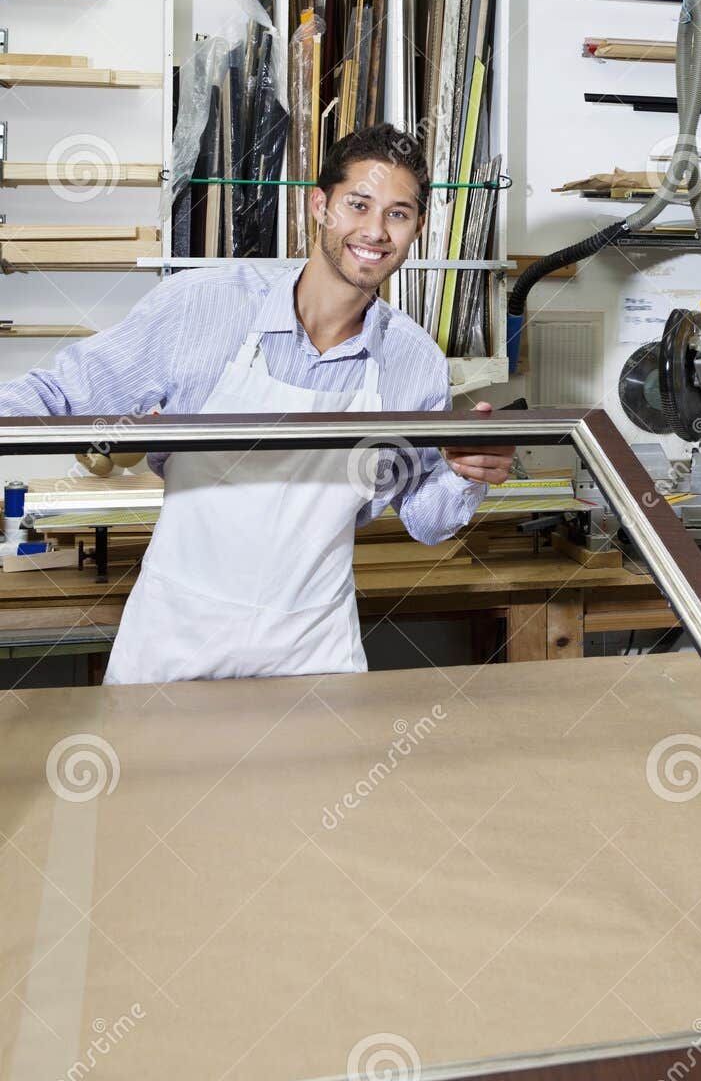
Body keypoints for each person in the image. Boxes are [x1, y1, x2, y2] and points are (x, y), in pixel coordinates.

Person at [0, 124, 515, 684]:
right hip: (174, 646)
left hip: (314, 656)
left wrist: (467, 474)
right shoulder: (204, 307)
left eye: (397, 213)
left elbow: (425, 519)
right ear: (320, 205)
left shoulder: (414, 362)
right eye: (358, 205)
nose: (374, 230)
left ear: (417, 226)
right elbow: (56, 393)